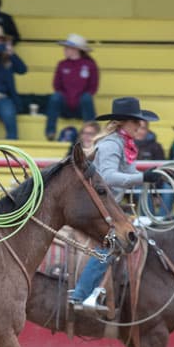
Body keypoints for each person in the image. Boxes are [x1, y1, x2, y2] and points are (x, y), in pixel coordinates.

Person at [68, 97, 161, 314]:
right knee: (112, 242)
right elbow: (108, 177)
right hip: (94, 203)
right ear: (122, 123)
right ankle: (83, 294)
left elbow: (126, 176)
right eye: (135, 121)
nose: (139, 125)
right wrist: (143, 178)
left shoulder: (121, 143)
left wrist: (146, 177)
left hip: (105, 202)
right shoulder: (111, 144)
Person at [45, 33, 98, 141]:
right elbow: (57, 85)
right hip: (65, 107)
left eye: (67, 48)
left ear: (75, 49)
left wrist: (78, 99)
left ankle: (93, 133)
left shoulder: (90, 65)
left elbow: (93, 87)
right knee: (55, 97)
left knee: (87, 98)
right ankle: (50, 132)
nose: (64, 50)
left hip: (81, 106)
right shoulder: (62, 64)